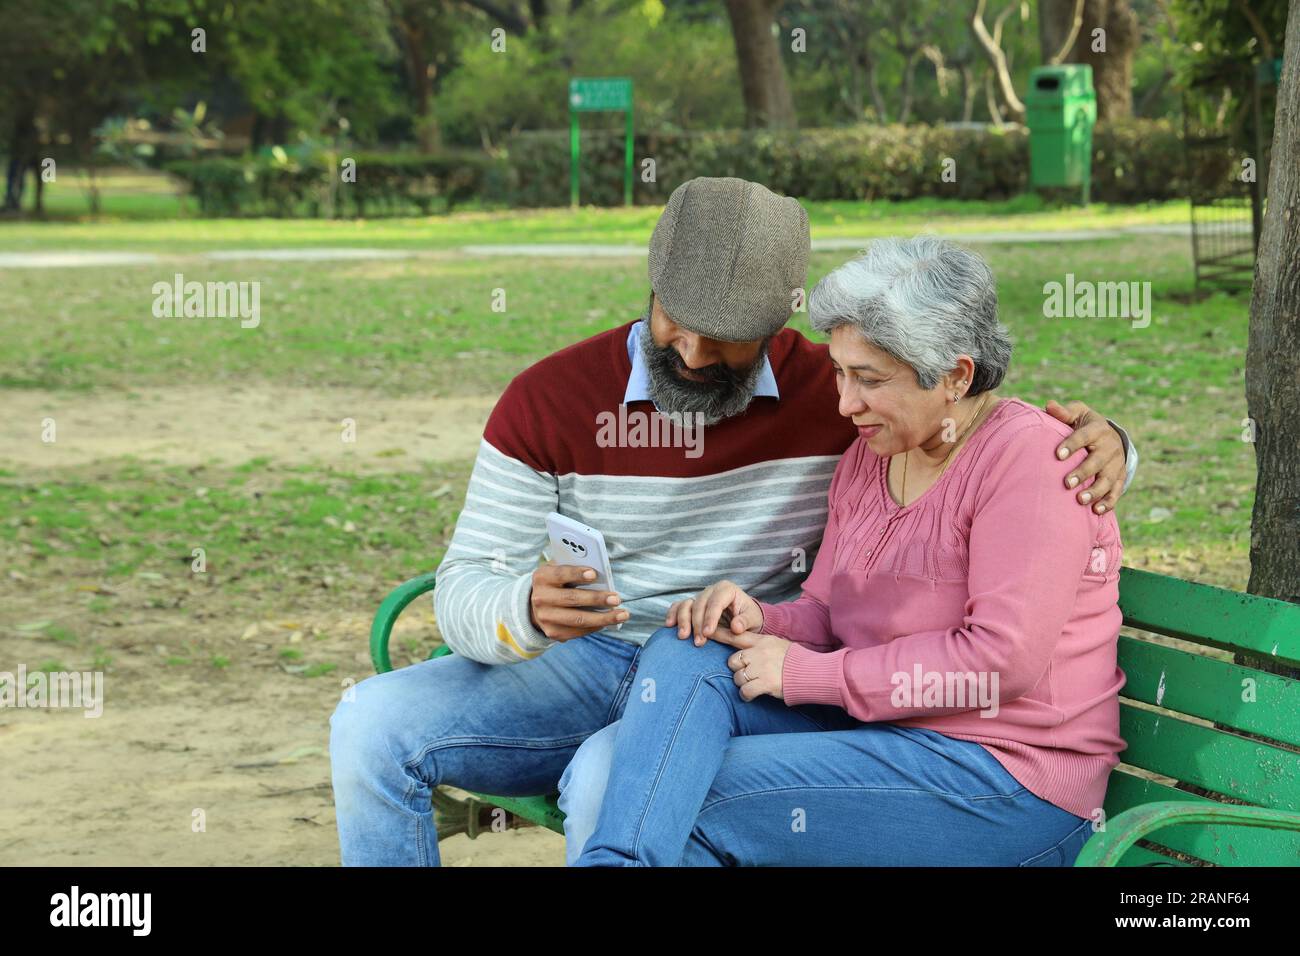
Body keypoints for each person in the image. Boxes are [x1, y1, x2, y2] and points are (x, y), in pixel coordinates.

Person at [328, 179, 1137, 866]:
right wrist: (523, 613)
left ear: (777, 328)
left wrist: (1115, 450)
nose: (689, 349)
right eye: (674, 317)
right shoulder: (553, 400)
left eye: (725, 339)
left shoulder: (844, 399)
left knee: (643, 787)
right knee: (377, 722)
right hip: (595, 666)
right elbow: (466, 582)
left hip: (961, 753)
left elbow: (1003, 448)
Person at [565, 235, 1128, 867]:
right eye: (839, 371)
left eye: (869, 379)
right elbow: (827, 610)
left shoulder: (1030, 462)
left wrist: (807, 673)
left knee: (685, 799)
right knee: (689, 645)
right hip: (881, 735)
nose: (845, 402)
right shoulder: (873, 454)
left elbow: (999, 663)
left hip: (1002, 780)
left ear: (956, 375)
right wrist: (761, 619)